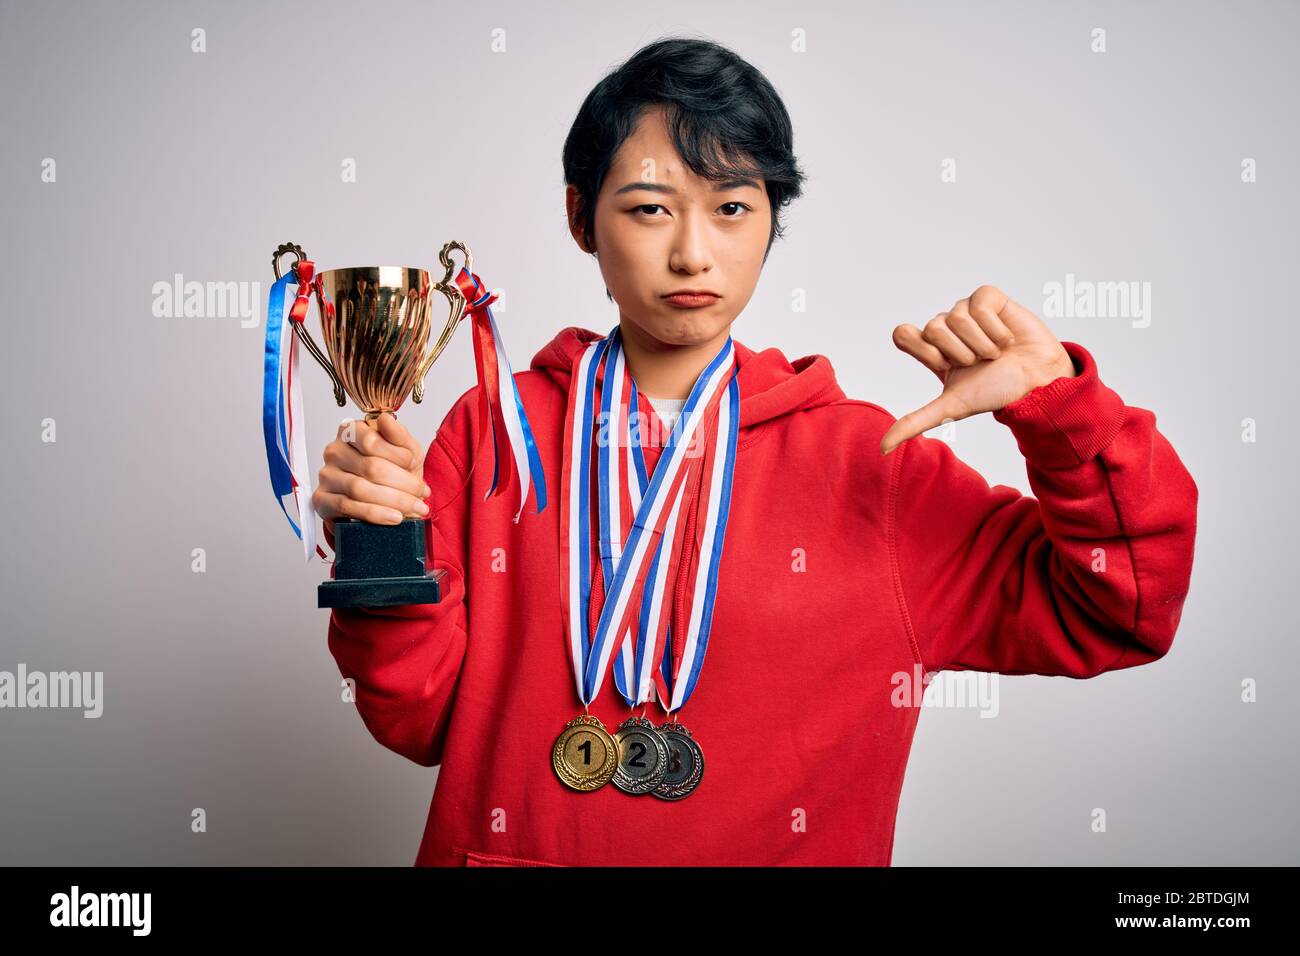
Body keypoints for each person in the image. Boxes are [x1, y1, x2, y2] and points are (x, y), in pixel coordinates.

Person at [312, 36, 1198, 866]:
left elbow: (1122, 609)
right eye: (651, 209)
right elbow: (418, 720)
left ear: (771, 223)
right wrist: (378, 537)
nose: (693, 251)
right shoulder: (494, 430)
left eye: (732, 208)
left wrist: (1062, 413)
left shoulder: (872, 463)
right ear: (582, 219)